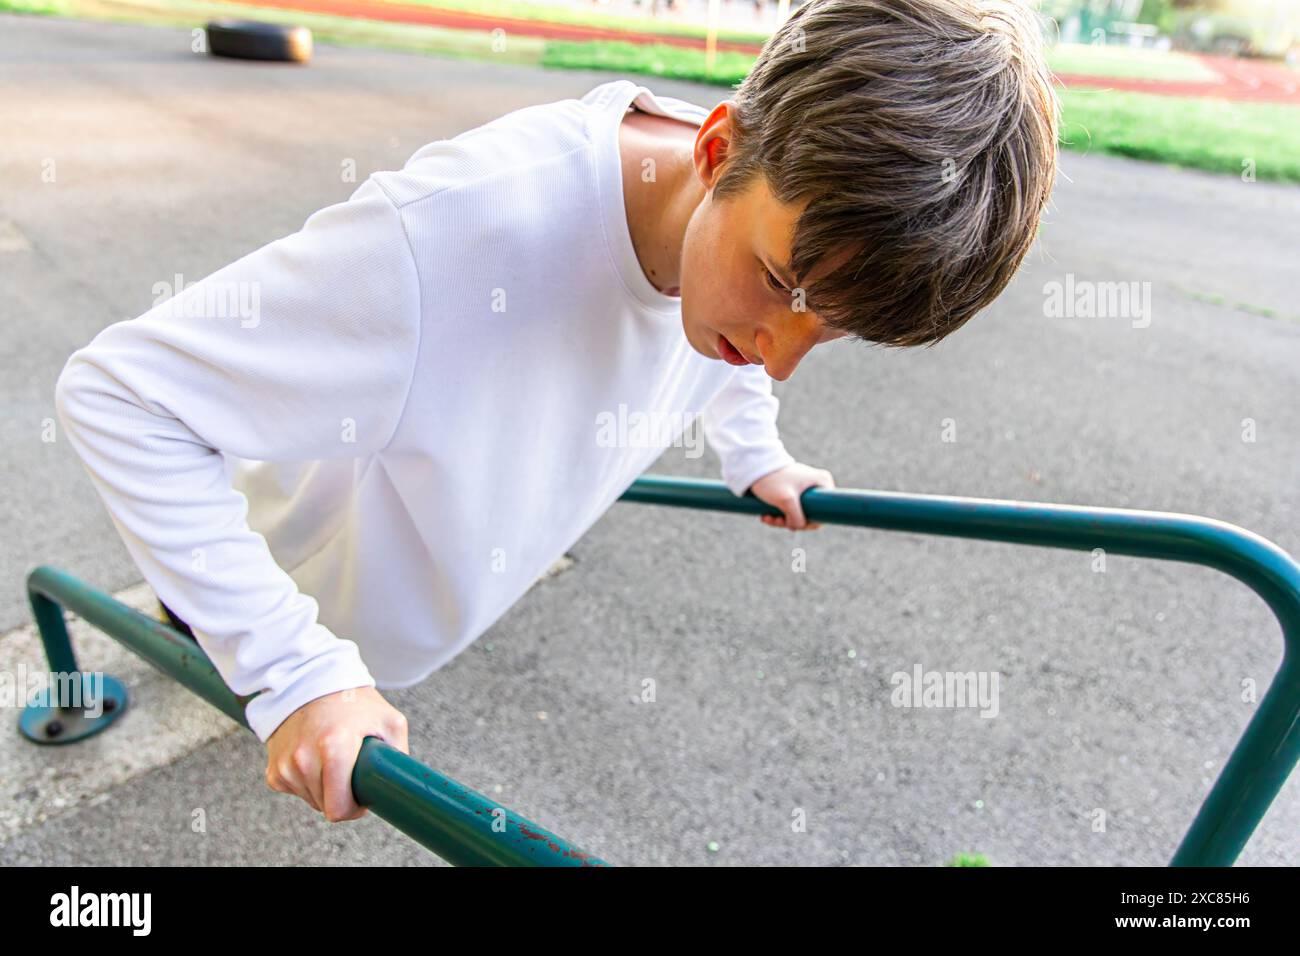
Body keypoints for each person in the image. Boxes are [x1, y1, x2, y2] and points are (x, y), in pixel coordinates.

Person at [54, 0, 1058, 823]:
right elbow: (119, 395)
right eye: (780, 283)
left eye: (829, 331)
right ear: (716, 148)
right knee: (214, 630)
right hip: (304, 601)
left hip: (413, 609)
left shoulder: (760, 218)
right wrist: (292, 672)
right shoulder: (455, 235)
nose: (782, 354)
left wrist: (755, 449)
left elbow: (744, 358)